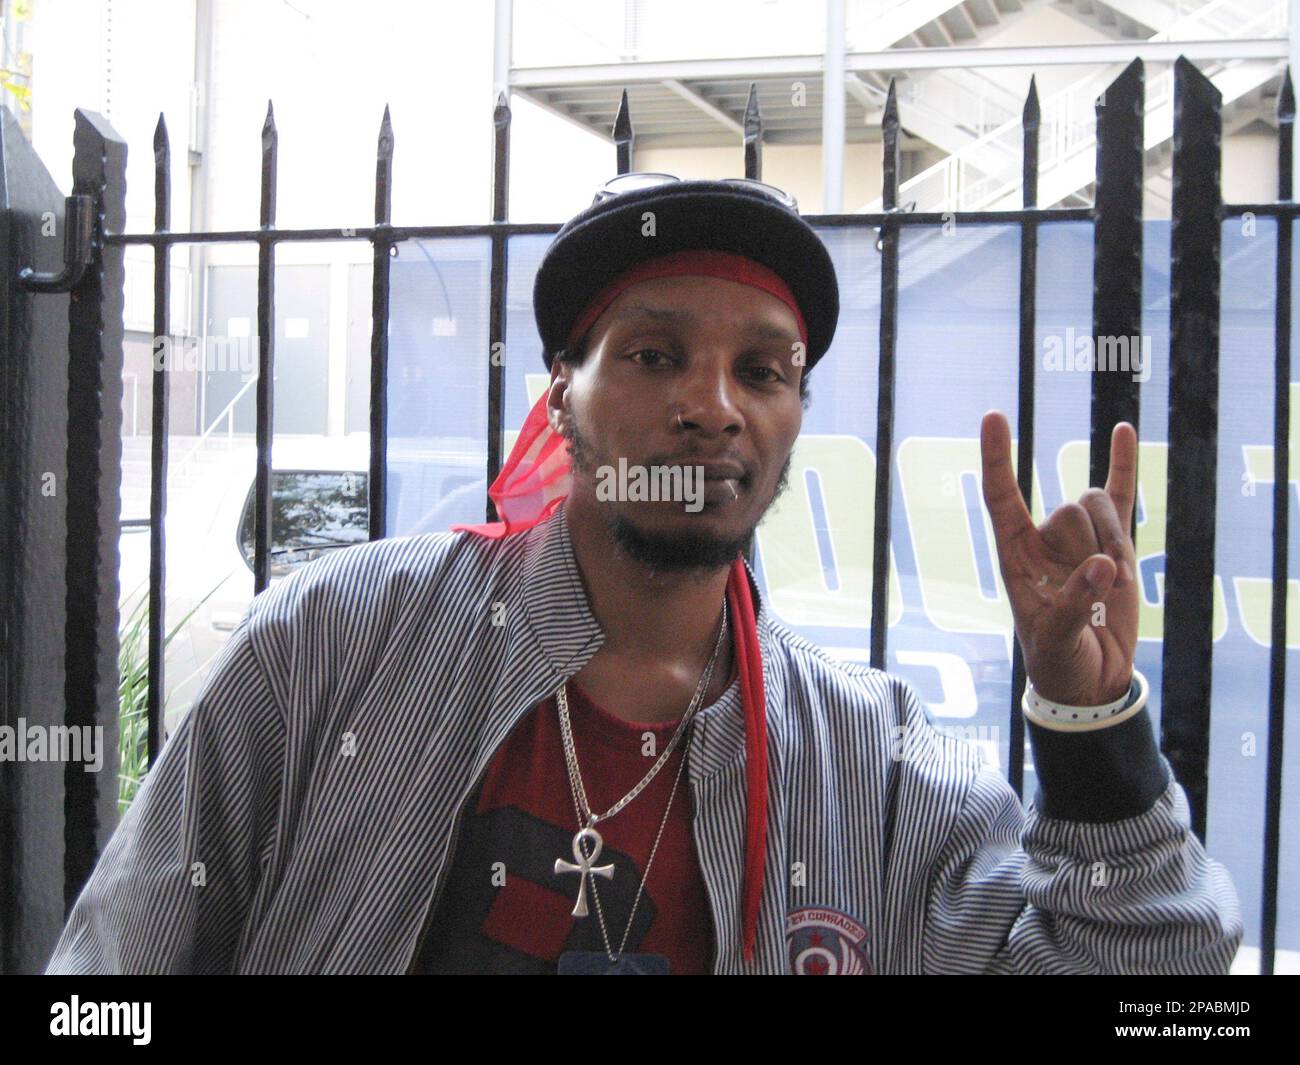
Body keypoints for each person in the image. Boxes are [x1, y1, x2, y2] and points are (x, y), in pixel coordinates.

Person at [46, 176, 1242, 975]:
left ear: (791, 419)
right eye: (655, 353)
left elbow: (1149, 980)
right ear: (561, 394)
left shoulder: (871, 762)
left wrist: (1088, 727)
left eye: (762, 370)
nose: (710, 407)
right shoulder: (337, 643)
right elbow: (111, 971)